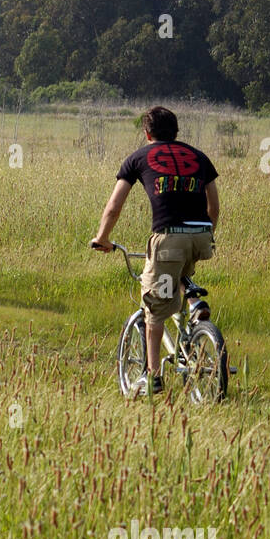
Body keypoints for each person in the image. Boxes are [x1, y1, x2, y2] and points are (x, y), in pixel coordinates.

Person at [90, 106, 220, 395]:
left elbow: (114, 207)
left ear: (147, 133)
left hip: (168, 241)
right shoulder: (199, 156)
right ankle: (195, 305)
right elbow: (214, 207)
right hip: (201, 237)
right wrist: (206, 233)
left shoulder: (137, 158)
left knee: (155, 308)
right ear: (176, 132)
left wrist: (103, 238)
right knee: (182, 273)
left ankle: (153, 378)